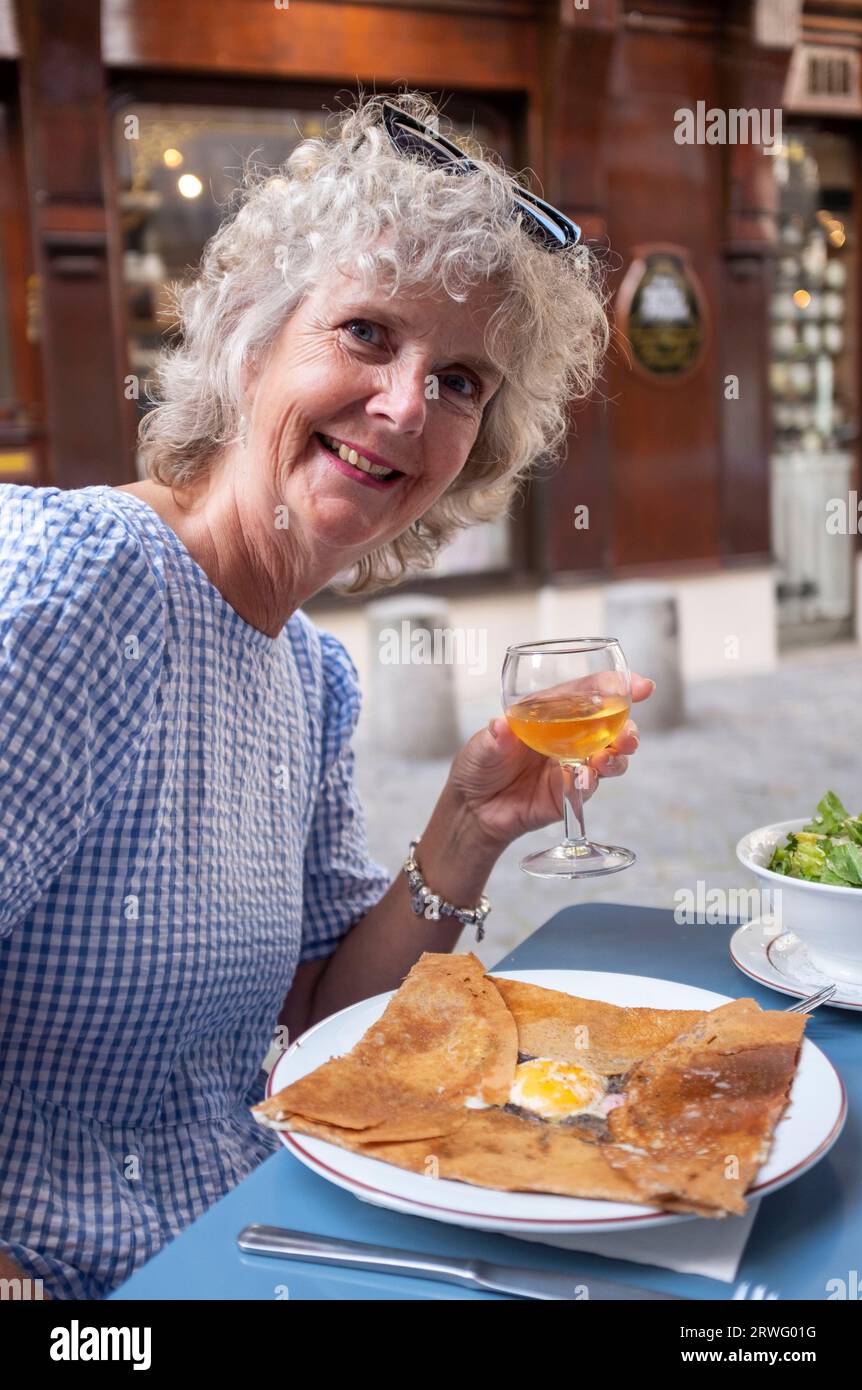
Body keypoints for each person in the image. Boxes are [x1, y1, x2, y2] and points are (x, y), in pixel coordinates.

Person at [0, 92, 650, 1299]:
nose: (405, 406)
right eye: (364, 334)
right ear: (250, 339)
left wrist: (469, 824)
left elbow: (323, 1010)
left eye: (459, 380)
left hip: (260, 1235)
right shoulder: (67, 587)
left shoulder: (307, 673)